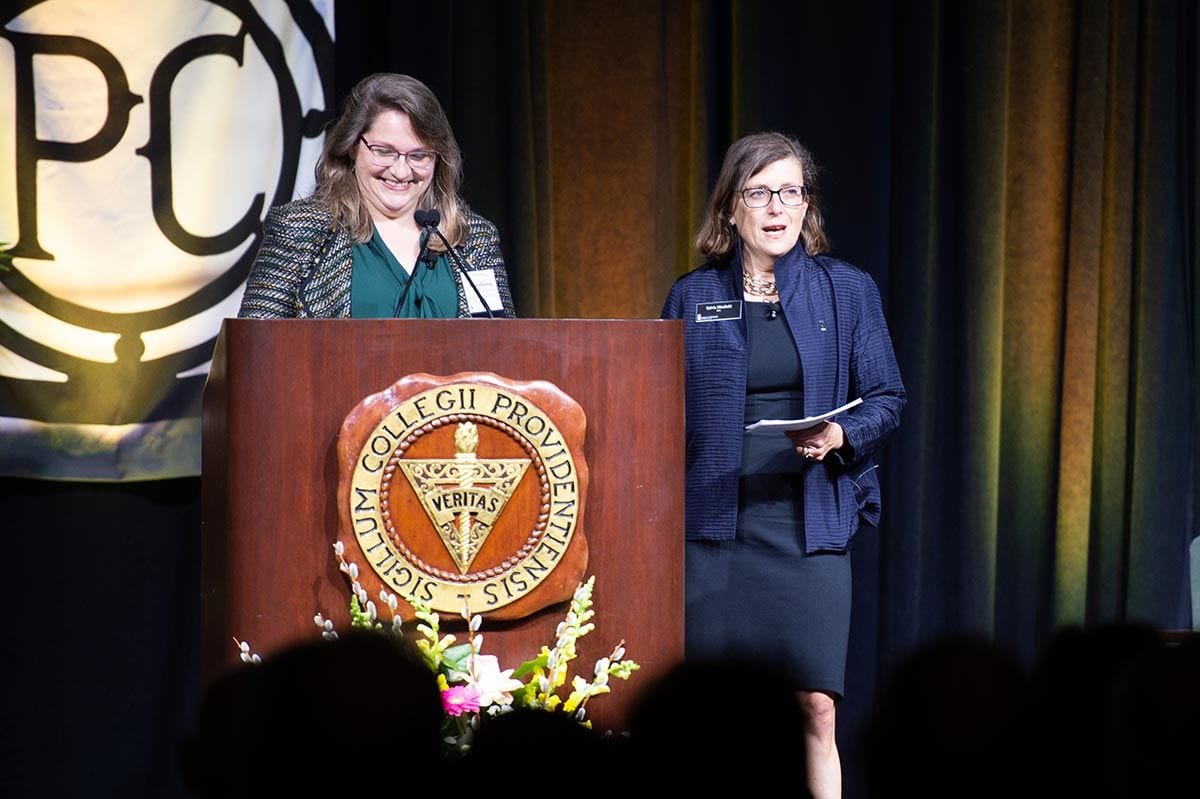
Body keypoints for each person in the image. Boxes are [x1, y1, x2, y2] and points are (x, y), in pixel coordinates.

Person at [660, 132, 904, 799]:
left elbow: (887, 397)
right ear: (731, 208)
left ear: (806, 205)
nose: (777, 206)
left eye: (791, 191)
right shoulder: (691, 296)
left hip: (809, 523)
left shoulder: (846, 291)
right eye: (760, 192)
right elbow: (655, 410)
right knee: (711, 713)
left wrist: (839, 432)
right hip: (716, 528)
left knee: (816, 705)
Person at [239, 72, 515, 319]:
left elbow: (505, 349)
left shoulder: (474, 238)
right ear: (352, 146)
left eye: (418, 155)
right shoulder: (301, 231)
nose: (400, 170)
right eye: (384, 151)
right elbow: (257, 351)